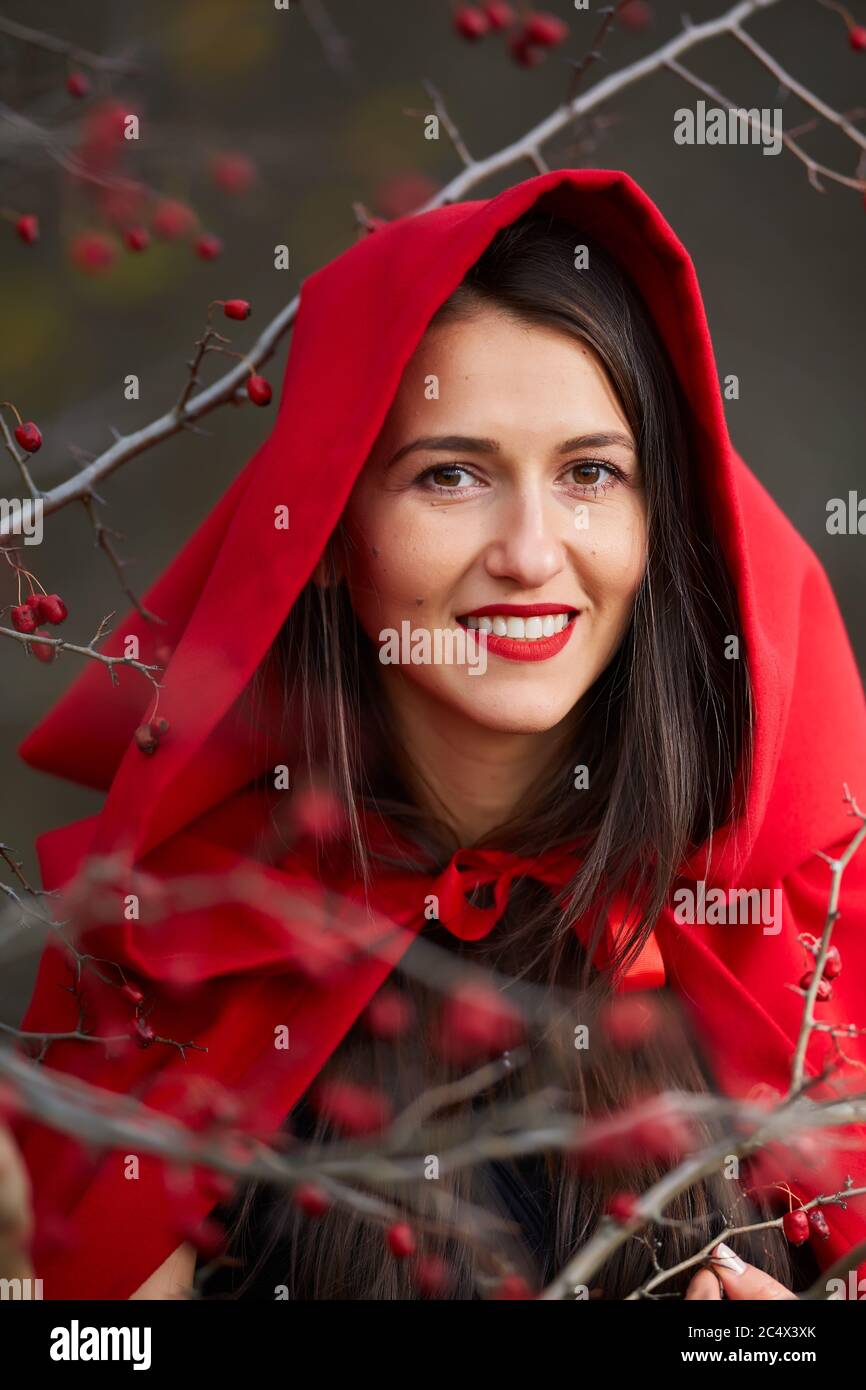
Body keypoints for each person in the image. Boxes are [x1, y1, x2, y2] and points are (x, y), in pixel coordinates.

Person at [10, 170, 866, 1301]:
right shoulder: (187, 947)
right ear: (327, 530)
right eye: (451, 474)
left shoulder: (783, 949)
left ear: (659, 520)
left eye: (588, 475)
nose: (528, 550)